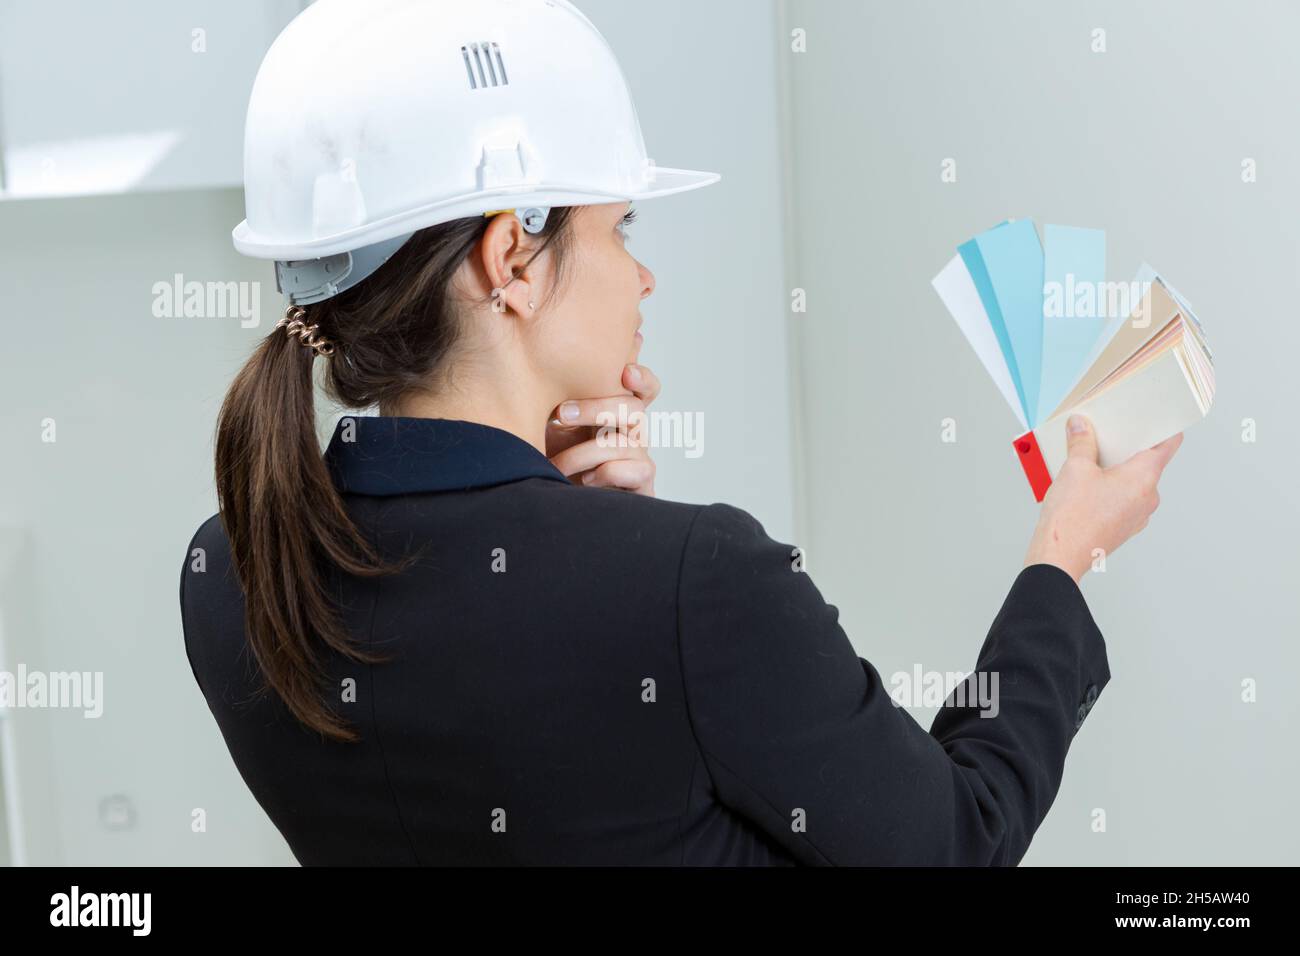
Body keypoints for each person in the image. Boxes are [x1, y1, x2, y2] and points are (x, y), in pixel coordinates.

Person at [179, 0, 1182, 865]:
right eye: (621, 231)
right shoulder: (695, 580)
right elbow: (955, 840)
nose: (641, 276)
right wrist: (1064, 554)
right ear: (510, 262)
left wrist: (577, 533)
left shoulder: (232, 570)